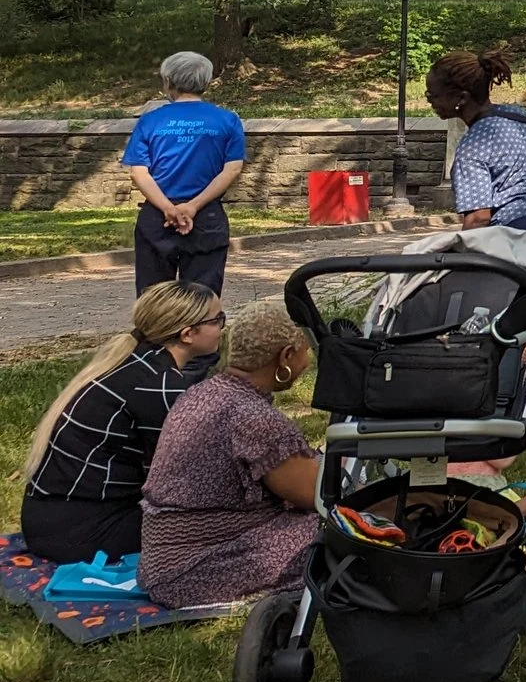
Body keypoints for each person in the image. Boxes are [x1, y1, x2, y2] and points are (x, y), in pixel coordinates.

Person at [19, 282, 226, 563]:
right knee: (233, 523)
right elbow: (177, 482)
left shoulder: (131, 362)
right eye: (217, 319)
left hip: (49, 518)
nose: (222, 328)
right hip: (83, 532)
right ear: (188, 334)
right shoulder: (159, 385)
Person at [138, 298, 321, 608]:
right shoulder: (254, 418)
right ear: (286, 356)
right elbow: (316, 496)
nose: (306, 363)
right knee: (347, 529)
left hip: (160, 564)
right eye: (304, 353)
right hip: (197, 571)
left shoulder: (201, 393)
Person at [427, 48, 526, 256]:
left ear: (461, 98)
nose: (429, 101)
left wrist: (457, 258)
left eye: (432, 95)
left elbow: (479, 218)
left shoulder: (473, 145)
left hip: (525, 237)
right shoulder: (519, 116)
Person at [121, 51, 247, 295]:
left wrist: (168, 208)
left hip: (157, 216)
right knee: (202, 296)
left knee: (154, 296)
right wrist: (193, 206)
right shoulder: (228, 120)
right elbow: (232, 169)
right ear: (206, 82)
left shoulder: (150, 121)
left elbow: (139, 173)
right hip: (206, 216)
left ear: (168, 82)